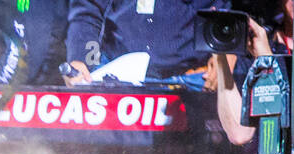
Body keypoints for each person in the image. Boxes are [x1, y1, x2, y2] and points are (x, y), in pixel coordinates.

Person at [65, 0, 215, 88]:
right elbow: (89, 13)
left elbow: (226, 11)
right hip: (118, 77)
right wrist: (82, 59)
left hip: (193, 79)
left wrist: (226, 53)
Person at [216, 4, 293, 145]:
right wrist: (219, 53)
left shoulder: (264, 50)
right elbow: (240, 133)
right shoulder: (259, 44)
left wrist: (267, 60)